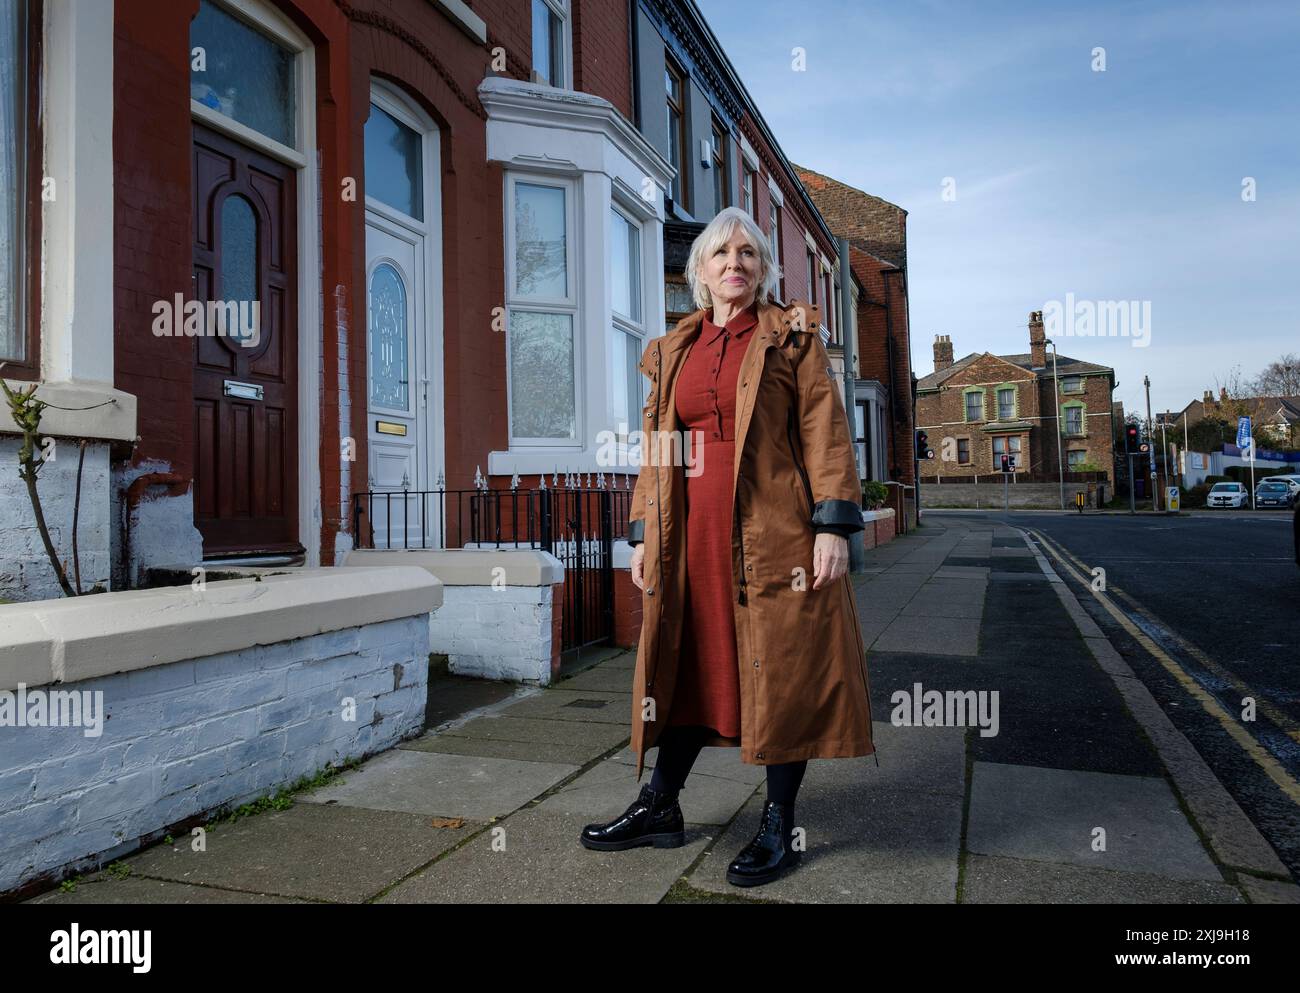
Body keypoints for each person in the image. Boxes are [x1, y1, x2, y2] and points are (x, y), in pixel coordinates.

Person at [579, 207, 876, 888]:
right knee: (687, 662)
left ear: (762, 269)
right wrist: (645, 532)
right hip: (692, 534)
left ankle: (779, 822)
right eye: (722, 253)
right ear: (700, 271)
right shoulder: (673, 347)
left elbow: (824, 431)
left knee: (781, 670)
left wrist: (832, 525)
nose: (735, 263)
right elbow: (659, 451)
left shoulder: (790, 337)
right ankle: (661, 804)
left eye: (748, 253)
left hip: (775, 532)